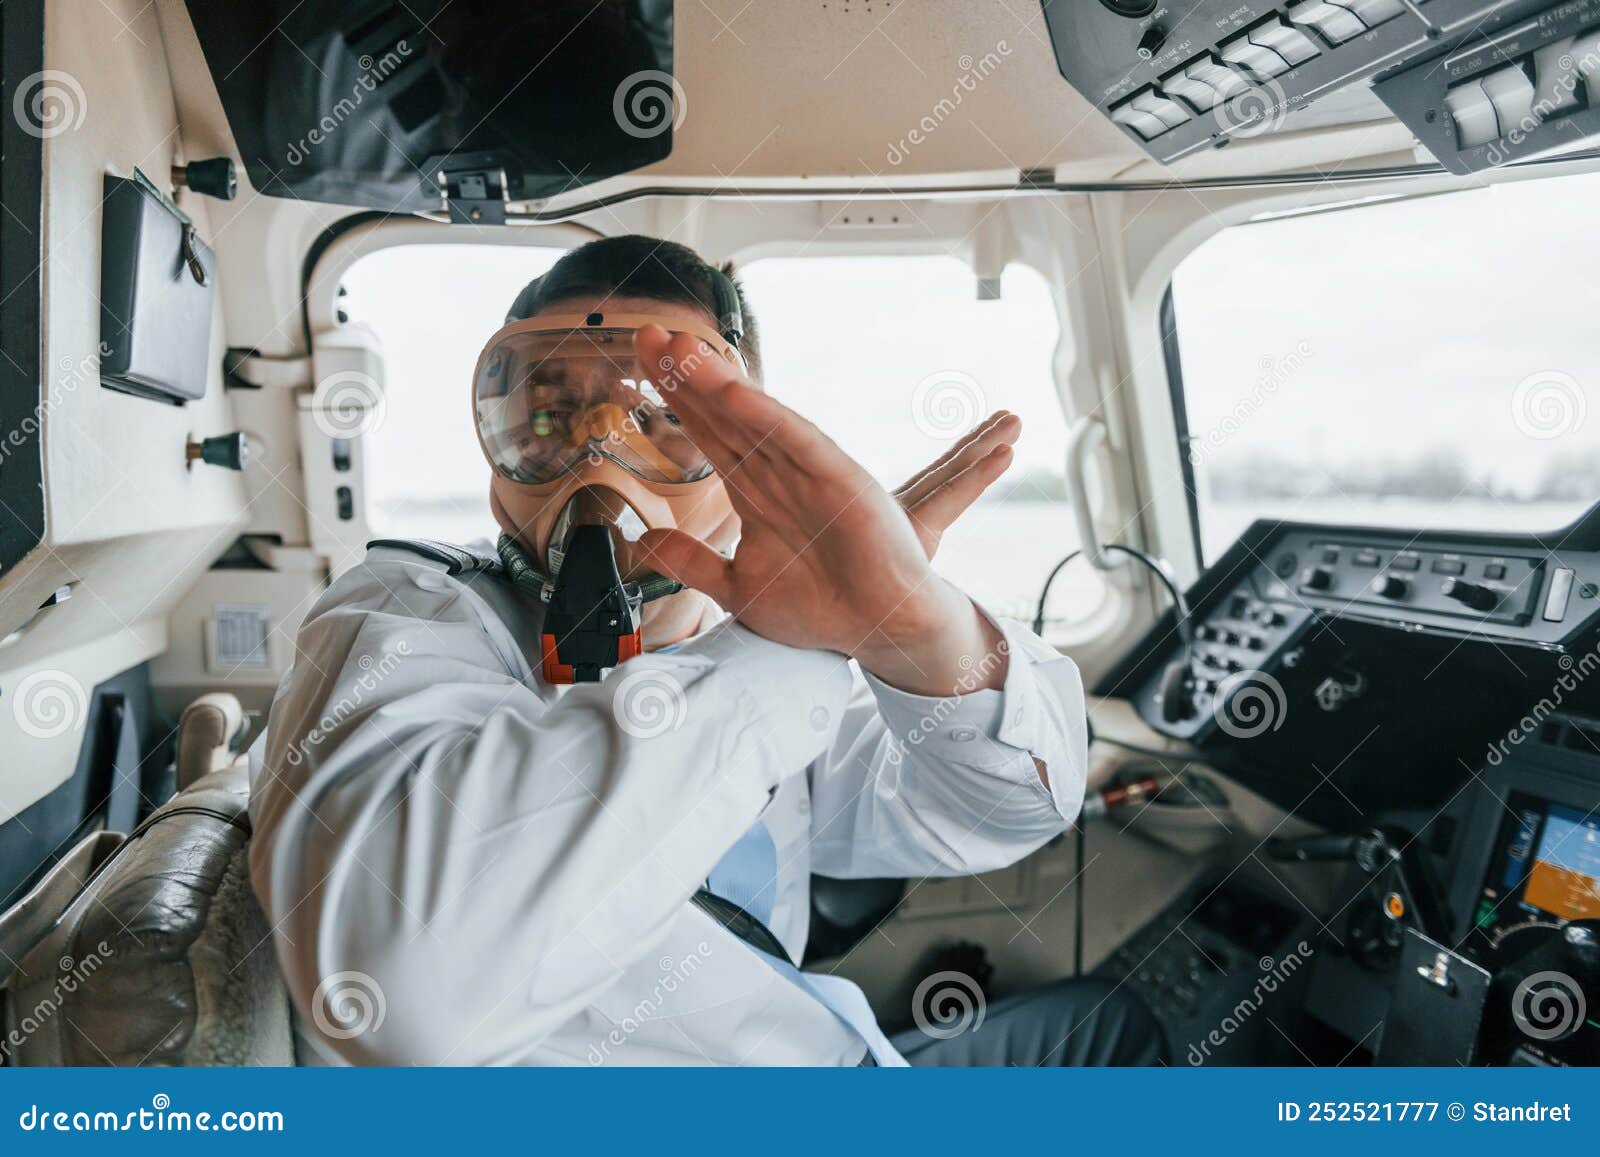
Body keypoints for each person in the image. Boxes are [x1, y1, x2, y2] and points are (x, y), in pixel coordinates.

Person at [249, 235, 1163, 1067]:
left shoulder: (755, 661)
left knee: (1114, 1021)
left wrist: (917, 628)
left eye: (660, 419)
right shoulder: (404, 622)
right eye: (552, 415)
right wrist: (786, 649)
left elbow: (1020, 805)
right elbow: (399, 996)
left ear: (742, 457)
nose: (596, 459)